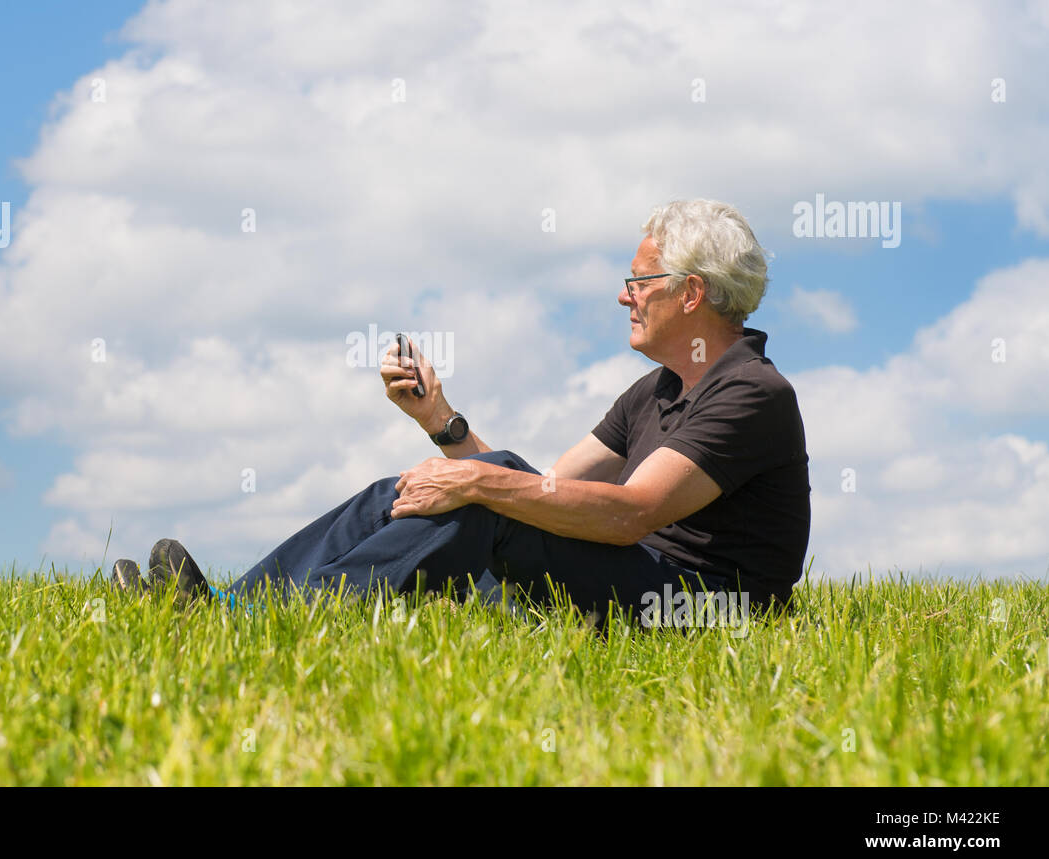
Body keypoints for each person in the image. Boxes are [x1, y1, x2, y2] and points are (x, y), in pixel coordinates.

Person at [113, 199, 811, 630]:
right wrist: (441, 425)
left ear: (690, 294)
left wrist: (477, 485)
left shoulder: (751, 392)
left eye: (638, 281)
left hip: (704, 611)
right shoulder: (656, 390)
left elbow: (629, 513)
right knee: (419, 486)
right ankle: (233, 610)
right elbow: (546, 489)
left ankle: (264, 626)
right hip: (634, 575)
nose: (624, 296)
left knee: (483, 494)